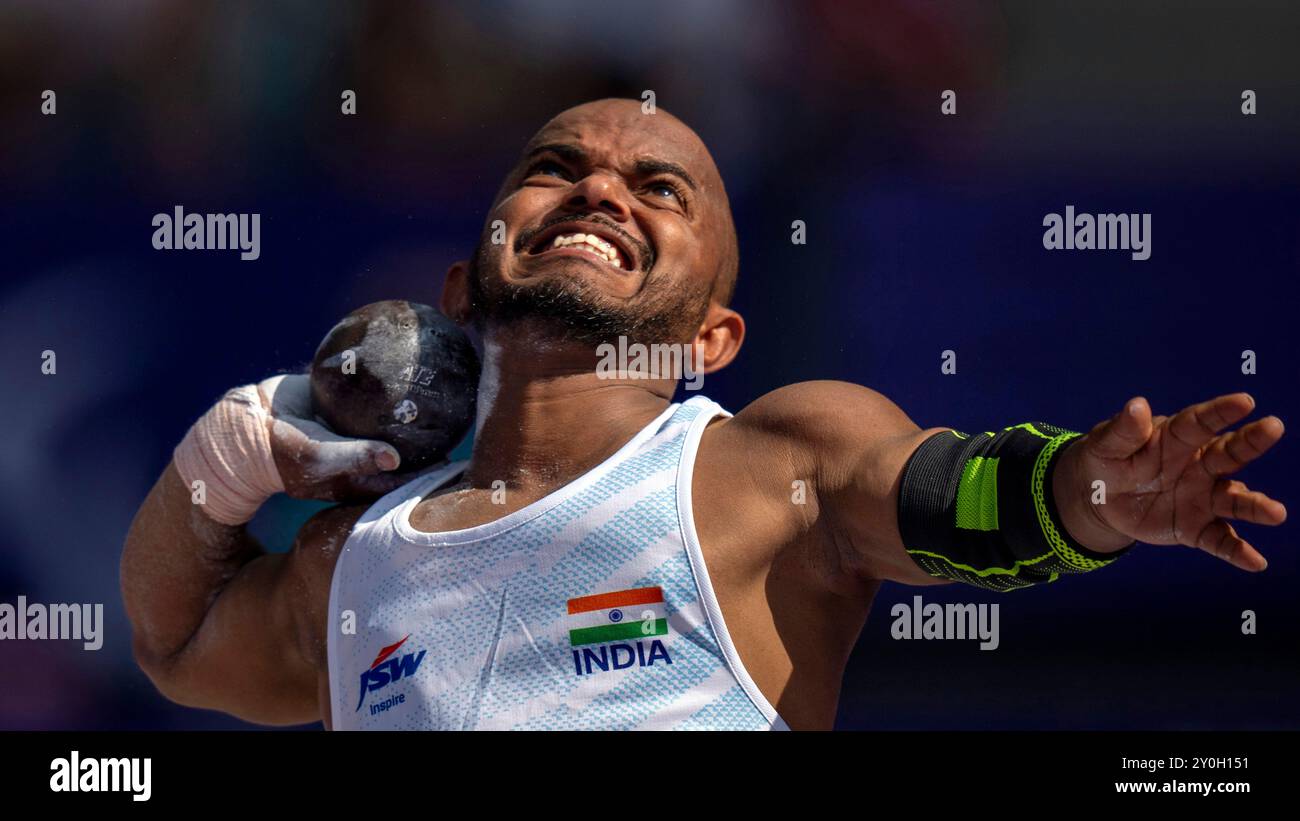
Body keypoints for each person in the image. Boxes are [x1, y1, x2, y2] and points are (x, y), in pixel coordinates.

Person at [122, 99, 1287, 730]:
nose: (598, 188)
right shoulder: (353, 561)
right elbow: (173, 645)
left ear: (714, 339)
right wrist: (213, 467)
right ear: (464, 287)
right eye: (555, 163)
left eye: (658, 189)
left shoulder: (770, 465)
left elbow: (963, 499)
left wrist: (1089, 492)